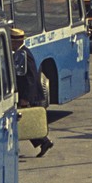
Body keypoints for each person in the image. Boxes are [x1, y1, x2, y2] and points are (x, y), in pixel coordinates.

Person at [10, 28, 54, 156]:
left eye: (12, 41)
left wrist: (26, 98)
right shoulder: (19, 53)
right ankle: (44, 142)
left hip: (28, 95)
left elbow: (31, 78)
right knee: (26, 121)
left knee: (25, 121)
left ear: (17, 42)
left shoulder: (25, 54)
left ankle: (44, 141)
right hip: (24, 94)